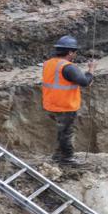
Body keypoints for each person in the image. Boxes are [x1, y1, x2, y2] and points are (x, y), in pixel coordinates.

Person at [41, 36, 95, 164]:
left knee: (62, 130)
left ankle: (58, 155)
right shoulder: (67, 67)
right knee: (66, 132)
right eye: (75, 52)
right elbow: (85, 82)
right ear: (70, 52)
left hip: (51, 104)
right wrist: (91, 70)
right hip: (64, 105)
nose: (75, 54)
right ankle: (67, 158)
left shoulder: (48, 63)